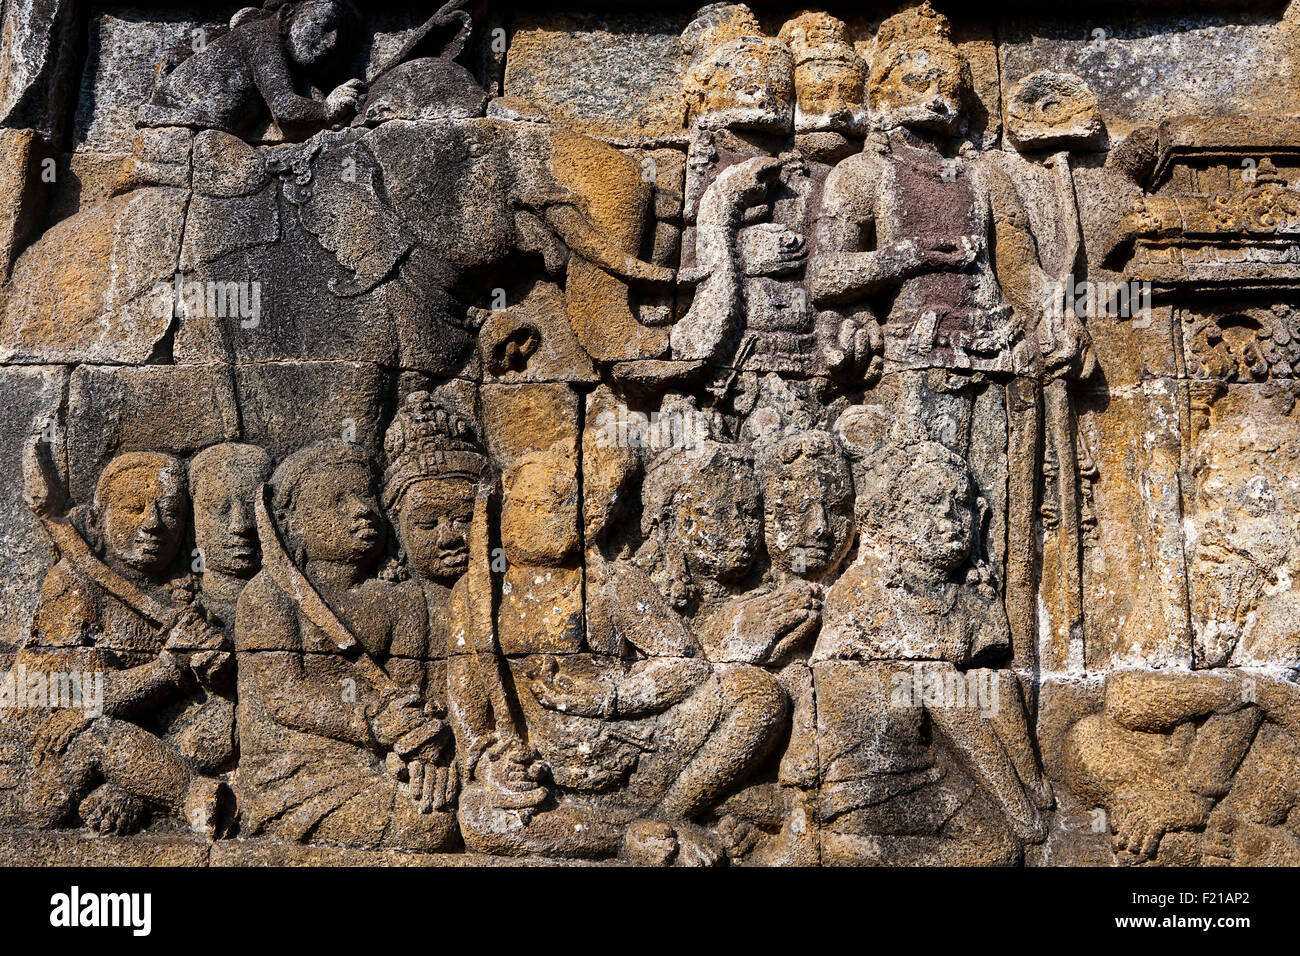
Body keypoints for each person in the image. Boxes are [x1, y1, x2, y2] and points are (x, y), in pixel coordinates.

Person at [233, 439, 458, 850]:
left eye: (367, 495)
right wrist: (374, 723)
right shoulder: (268, 595)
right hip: (293, 768)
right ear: (295, 521)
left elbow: (407, 693)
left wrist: (420, 750)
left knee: (443, 815)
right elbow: (284, 695)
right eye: (339, 500)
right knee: (426, 828)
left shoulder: (401, 599)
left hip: (384, 757)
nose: (363, 509)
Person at [7, 451, 229, 836]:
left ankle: (131, 791)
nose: (154, 524)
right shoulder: (72, 585)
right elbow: (84, 700)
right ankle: (193, 797)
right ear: (98, 518)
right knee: (102, 735)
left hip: (134, 749)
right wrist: (171, 666)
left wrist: (212, 669)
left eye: (171, 512)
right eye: (134, 508)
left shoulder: (182, 596)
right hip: (40, 767)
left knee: (227, 714)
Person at [138, 0, 366, 139]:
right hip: (176, 126)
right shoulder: (261, 38)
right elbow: (285, 109)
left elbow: (308, 108)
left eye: (343, 40)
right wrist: (327, 110)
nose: (332, 42)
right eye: (326, 25)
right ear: (287, 16)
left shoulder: (293, 66)